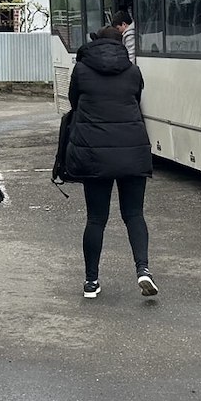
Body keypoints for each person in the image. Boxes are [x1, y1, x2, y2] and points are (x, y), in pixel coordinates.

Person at [65, 26, 156, 299]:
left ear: (96, 43)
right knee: (134, 214)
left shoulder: (80, 70)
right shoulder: (133, 72)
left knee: (96, 219)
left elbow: (74, 103)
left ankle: (91, 282)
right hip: (133, 151)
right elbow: (136, 102)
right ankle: (143, 270)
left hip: (94, 155)